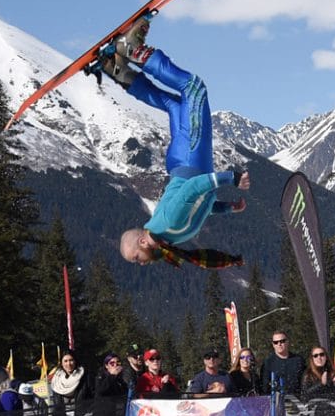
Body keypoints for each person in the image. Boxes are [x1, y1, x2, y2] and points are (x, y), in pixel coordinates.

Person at [104, 22, 251, 270]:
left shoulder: (167, 224)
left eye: (136, 258)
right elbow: (197, 207)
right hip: (181, 163)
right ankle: (117, 70)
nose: (140, 264)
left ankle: (134, 51)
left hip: (190, 159)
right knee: (175, 105)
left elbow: (194, 187)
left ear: (142, 241)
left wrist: (232, 178)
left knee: (194, 88)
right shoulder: (168, 234)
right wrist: (227, 208)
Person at [47, 350, 87, 416]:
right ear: (61, 363)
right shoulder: (56, 380)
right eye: (65, 361)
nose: (68, 364)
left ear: (75, 361)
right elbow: (56, 405)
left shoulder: (85, 377)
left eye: (71, 360)